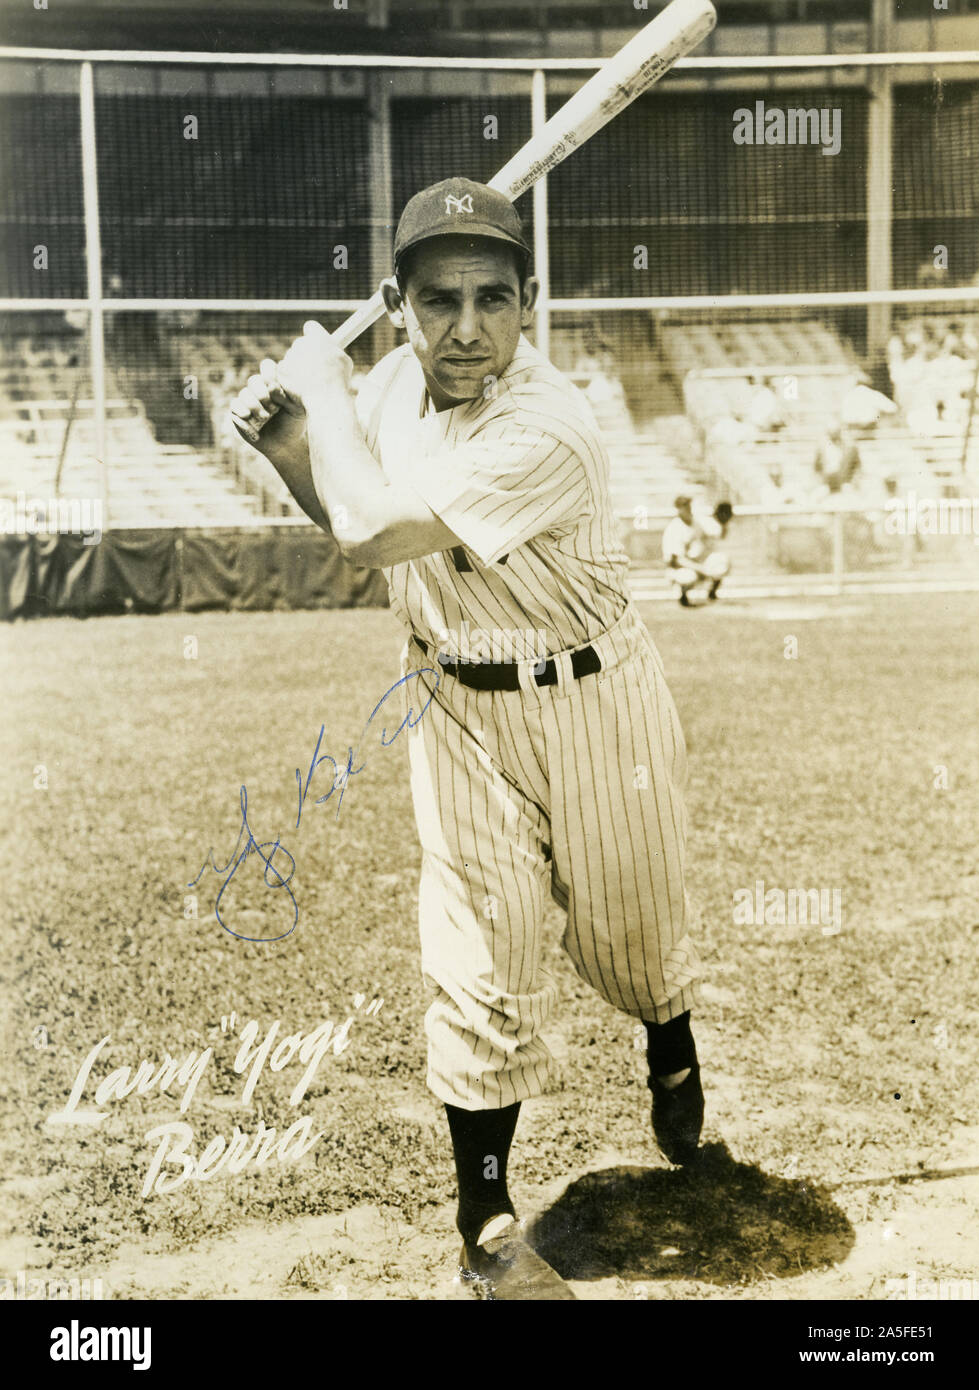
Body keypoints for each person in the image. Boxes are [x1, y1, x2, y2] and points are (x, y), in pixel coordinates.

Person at [230, 178, 705, 1300]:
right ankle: (486, 1216)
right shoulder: (392, 389)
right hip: (455, 708)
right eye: (439, 300)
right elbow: (349, 519)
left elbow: (370, 526)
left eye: (495, 298)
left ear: (529, 305)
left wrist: (319, 395)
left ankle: (671, 1033)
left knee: (631, 939)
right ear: (399, 306)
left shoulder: (551, 423)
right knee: (479, 963)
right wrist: (298, 444)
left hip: (596, 698)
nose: (468, 327)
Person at [661, 493, 731, 606]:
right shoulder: (673, 528)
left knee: (722, 560)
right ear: (678, 509)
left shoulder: (698, 521)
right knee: (687, 577)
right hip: (680, 568)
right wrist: (702, 570)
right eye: (684, 506)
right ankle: (683, 595)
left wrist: (723, 523)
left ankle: (712, 592)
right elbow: (677, 560)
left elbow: (719, 534)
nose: (687, 508)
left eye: (688, 505)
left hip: (698, 564)